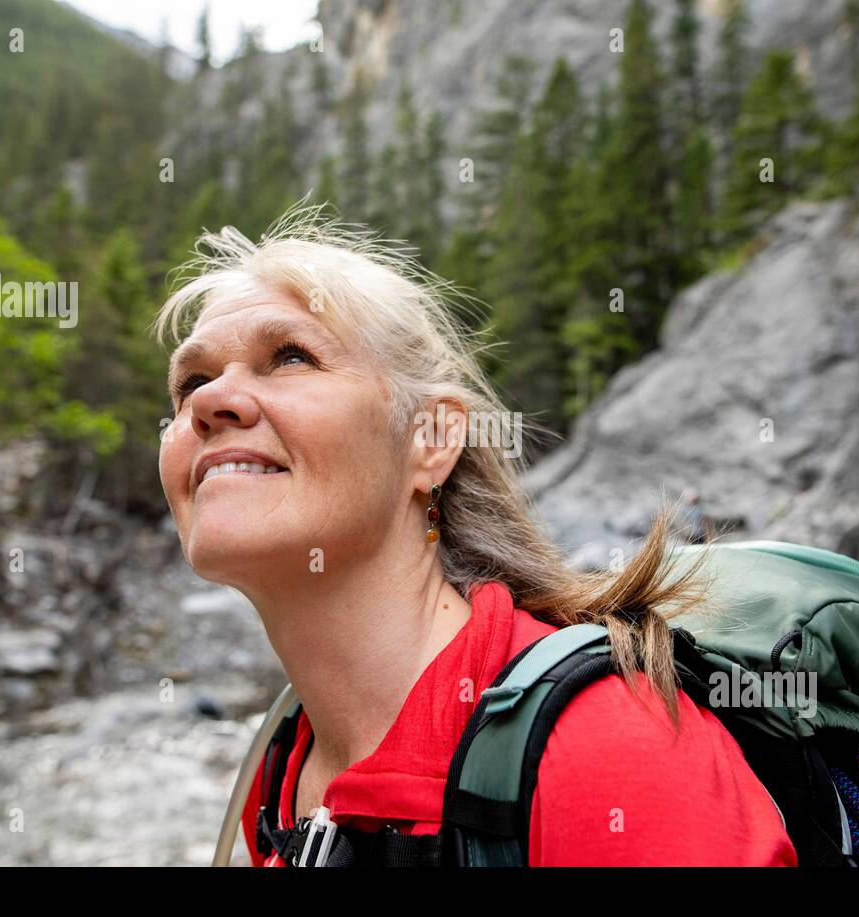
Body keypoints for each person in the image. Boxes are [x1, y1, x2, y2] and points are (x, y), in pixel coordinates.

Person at [151, 201, 796, 867]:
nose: (208, 401)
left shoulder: (603, 749)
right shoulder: (283, 767)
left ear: (431, 439)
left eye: (290, 357)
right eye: (191, 381)